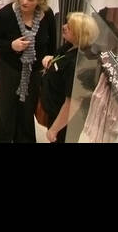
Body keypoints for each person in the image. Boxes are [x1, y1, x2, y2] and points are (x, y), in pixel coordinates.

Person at [0, 0, 56, 143]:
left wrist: (49, 59)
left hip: (34, 72)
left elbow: (52, 42)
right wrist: (11, 45)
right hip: (9, 69)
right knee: (6, 108)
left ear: (40, 1)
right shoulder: (6, 14)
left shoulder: (48, 15)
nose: (24, 2)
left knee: (27, 109)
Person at [42, 11, 100, 144]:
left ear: (80, 34)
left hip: (66, 120)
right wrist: (51, 59)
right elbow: (61, 60)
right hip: (55, 109)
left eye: (70, 27)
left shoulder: (78, 63)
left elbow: (72, 103)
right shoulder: (70, 45)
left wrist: (54, 130)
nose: (64, 26)